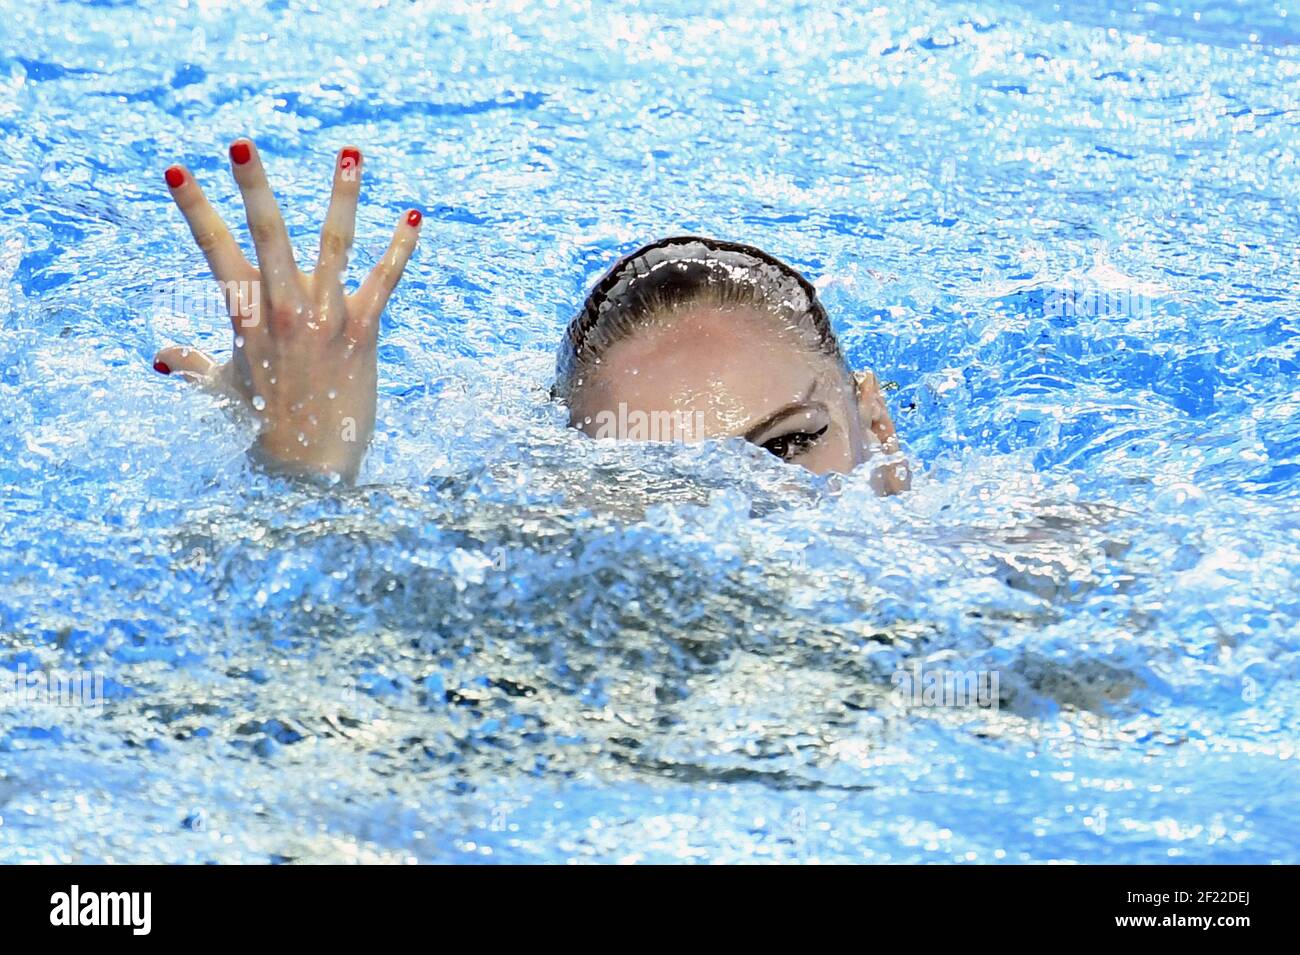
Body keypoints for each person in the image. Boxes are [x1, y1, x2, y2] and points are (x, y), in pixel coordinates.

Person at [153, 139, 908, 493]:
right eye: (650, 481)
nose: (748, 519)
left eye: (785, 448)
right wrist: (298, 464)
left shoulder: (1015, 567)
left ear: (875, 427)